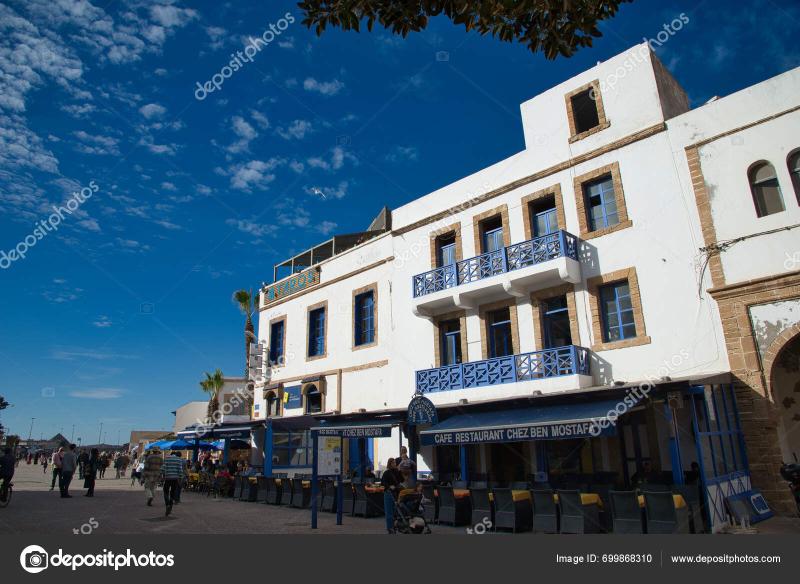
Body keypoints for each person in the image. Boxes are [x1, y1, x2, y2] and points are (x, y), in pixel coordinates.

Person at [381, 458, 403, 534]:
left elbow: (402, 480)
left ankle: (394, 526)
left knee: (395, 511)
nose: (394, 464)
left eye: (395, 463)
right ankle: (390, 528)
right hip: (388, 493)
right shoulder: (386, 473)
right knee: (389, 511)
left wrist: (400, 471)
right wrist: (389, 486)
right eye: (393, 463)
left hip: (396, 493)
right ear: (389, 464)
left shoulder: (397, 472)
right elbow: (383, 482)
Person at [161, 451, 187, 516]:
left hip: (167, 478)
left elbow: (162, 469)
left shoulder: (167, 458)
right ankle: (170, 506)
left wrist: (162, 476)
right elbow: (180, 470)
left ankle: (167, 504)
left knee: (165, 492)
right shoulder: (178, 460)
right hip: (175, 479)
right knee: (172, 493)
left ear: (171, 454)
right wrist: (180, 478)